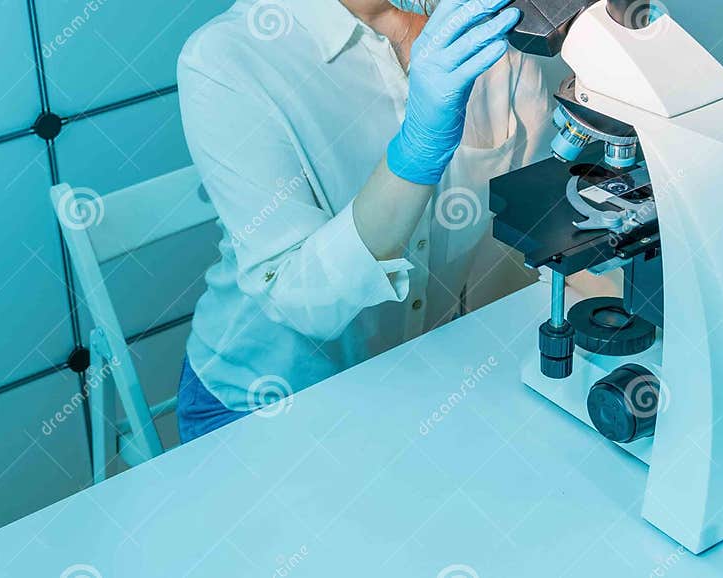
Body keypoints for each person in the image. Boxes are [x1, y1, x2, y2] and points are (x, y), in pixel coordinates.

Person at [176, 0, 564, 442]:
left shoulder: (486, 30)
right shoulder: (228, 57)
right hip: (269, 402)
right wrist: (415, 155)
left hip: (420, 378)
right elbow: (299, 299)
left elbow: (532, 223)